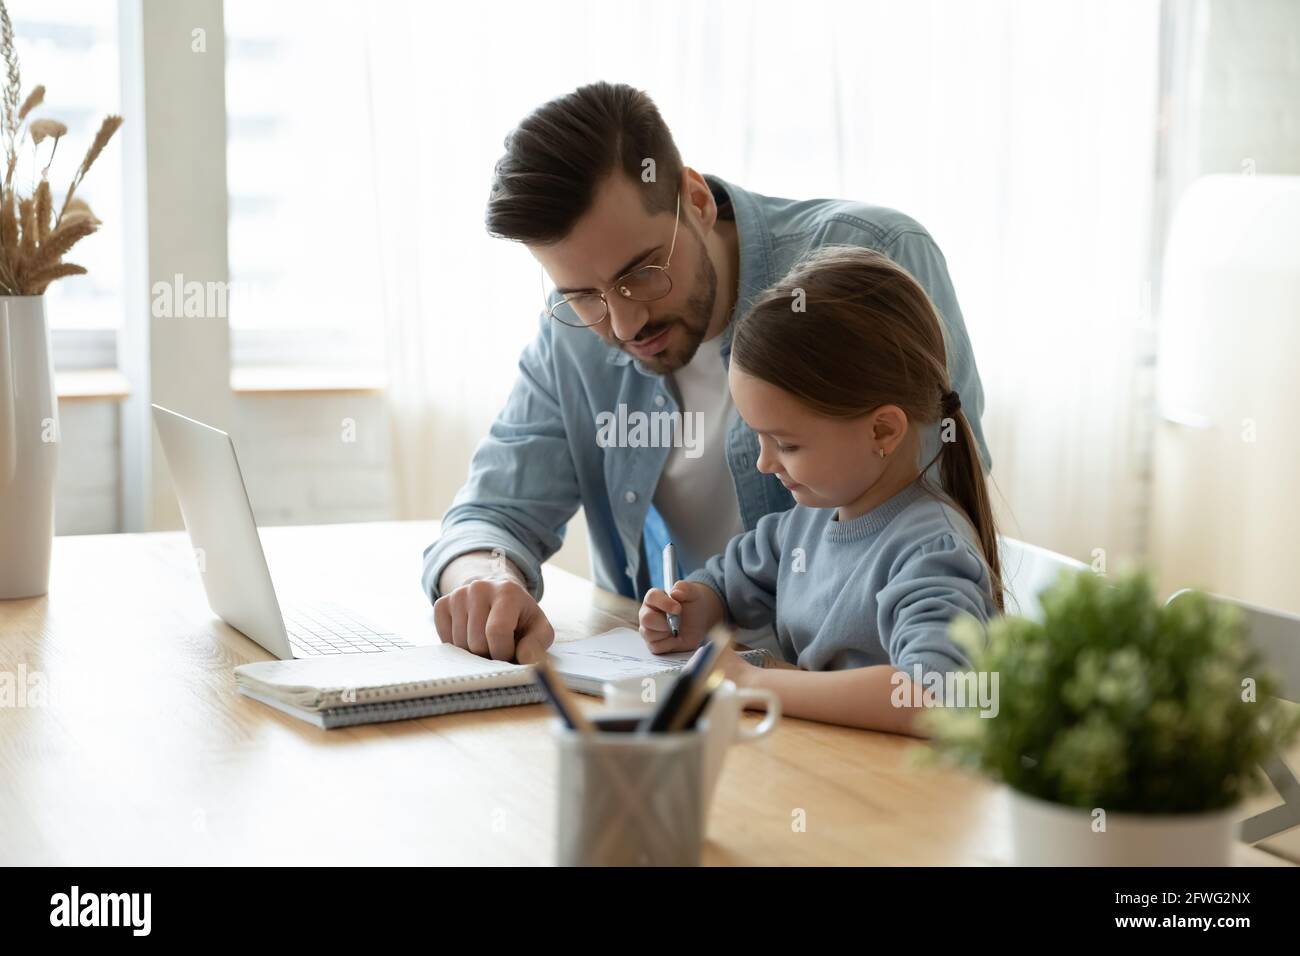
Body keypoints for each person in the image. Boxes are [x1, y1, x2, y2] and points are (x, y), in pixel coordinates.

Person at [425, 81, 990, 664]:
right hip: (681, 687)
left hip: (843, 705)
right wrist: (484, 581)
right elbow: (493, 514)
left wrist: (765, 682)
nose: (623, 322)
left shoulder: (874, 259)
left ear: (695, 200)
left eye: (641, 272)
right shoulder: (573, 333)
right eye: (585, 295)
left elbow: (924, 517)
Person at [639, 247, 1002, 735]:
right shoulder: (807, 519)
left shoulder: (931, 549)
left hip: (897, 796)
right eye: (758, 438)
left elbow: (934, 694)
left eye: (786, 444)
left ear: (882, 432)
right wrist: (689, 609)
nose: (767, 463)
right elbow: (725, 585)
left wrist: (755, 681)